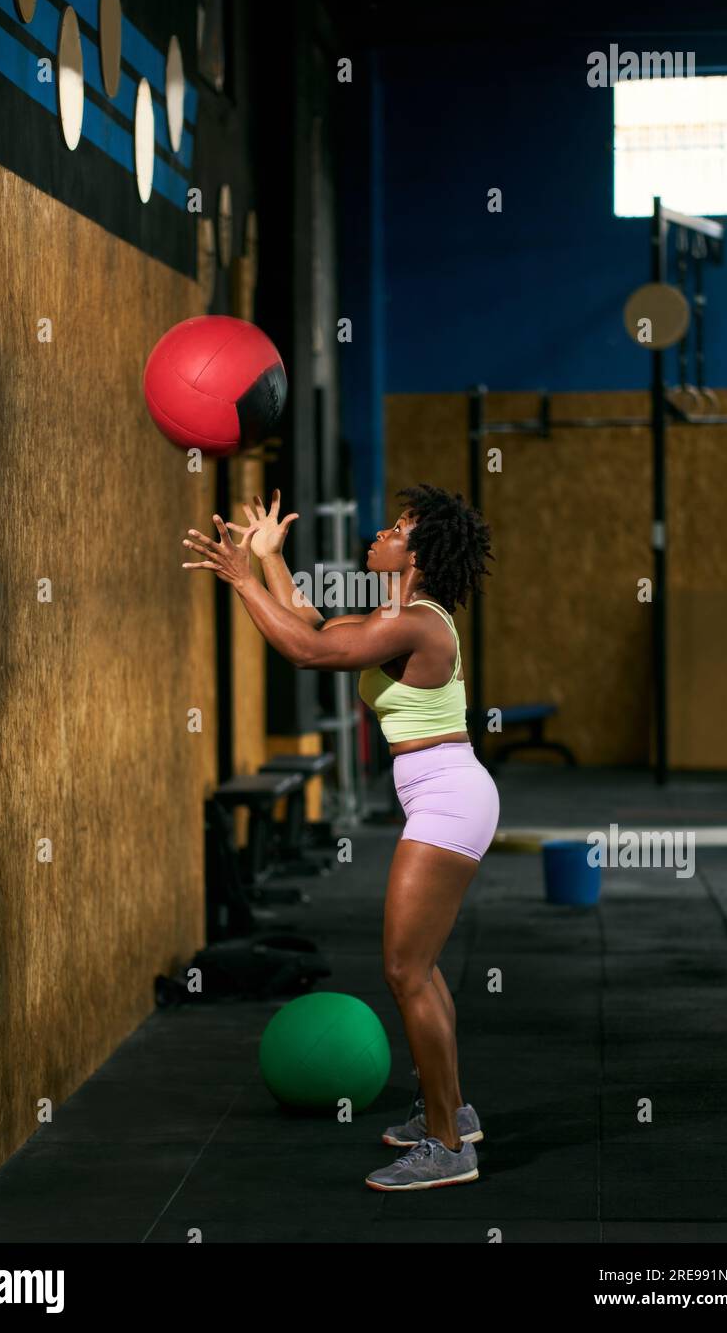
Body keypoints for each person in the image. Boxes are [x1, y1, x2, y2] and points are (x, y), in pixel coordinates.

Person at [182, 482, 499, 1191]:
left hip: (450, 798)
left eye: (396, 528)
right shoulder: (397, 614)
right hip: (442, 794)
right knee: (420, 966)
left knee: (404, 970)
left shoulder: (418, 622)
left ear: (416, 554)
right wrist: (269, 559)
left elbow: (303, 653)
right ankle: (450, 1113)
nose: (379, 534)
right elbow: (314, 626)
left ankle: (449, 1147)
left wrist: (238, 579)